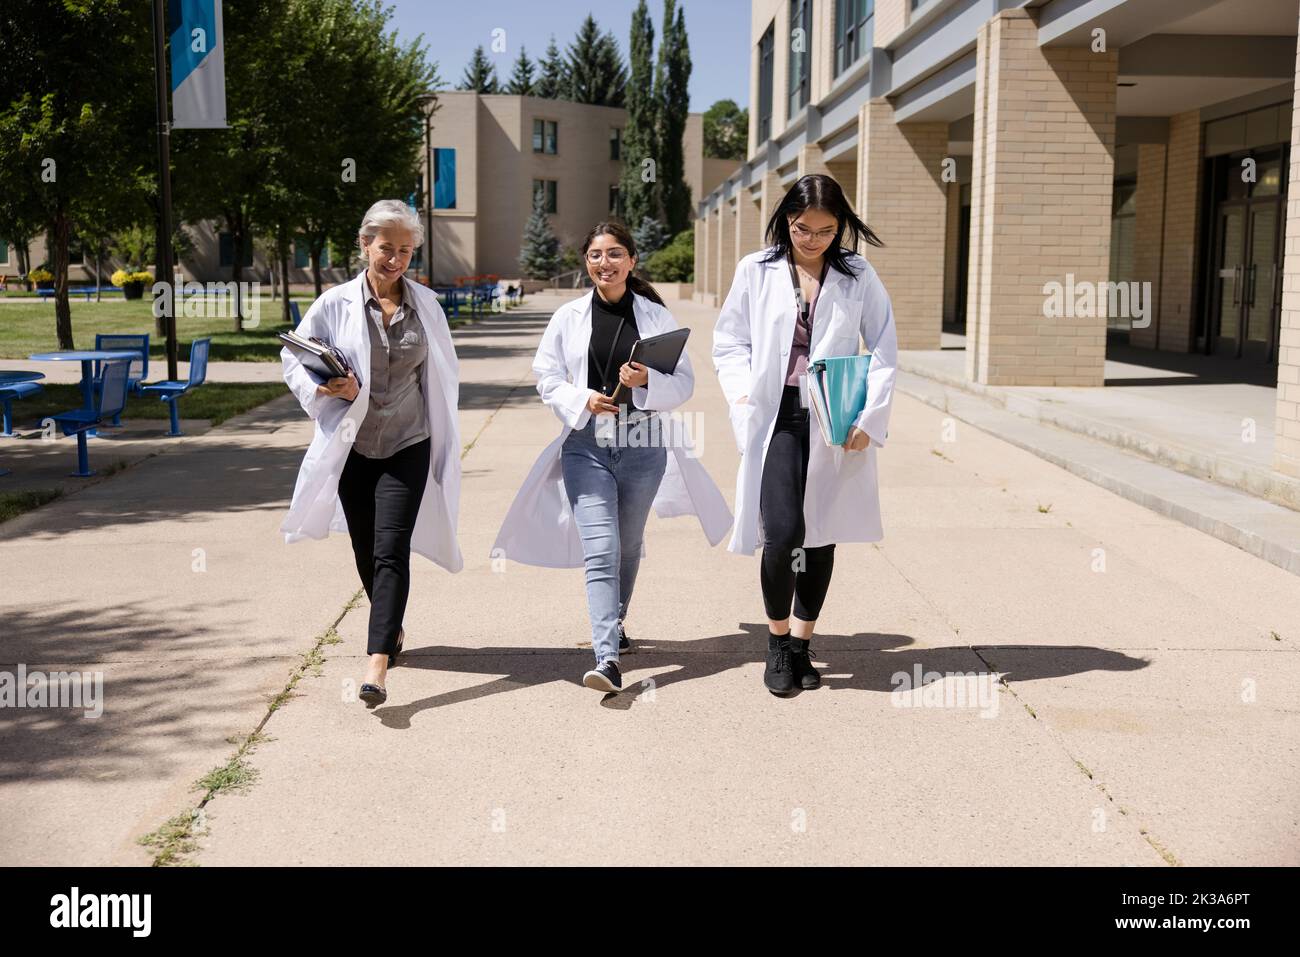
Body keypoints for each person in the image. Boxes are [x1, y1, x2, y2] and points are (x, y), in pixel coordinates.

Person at [493, 221, 732, 693]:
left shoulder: (655, 317)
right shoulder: (567, 317)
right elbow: (546, 375)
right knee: (600, 549)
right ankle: (606, 658)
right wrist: (582, 399)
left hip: (644, 445)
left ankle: (616, 623)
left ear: (632, 261)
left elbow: (683, 383)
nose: (607, 263)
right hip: (586, 446)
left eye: (616, 253)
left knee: (627, 544)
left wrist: (646, 383)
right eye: (598, 255)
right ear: (587, 262)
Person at [712, 173, 898, 696]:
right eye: (801, 227)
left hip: (833, 417)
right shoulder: (757, 269)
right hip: (776, 416)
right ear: (785, 221)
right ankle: (775, 642)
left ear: (840, 227)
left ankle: (800, 644)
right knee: (783, 532)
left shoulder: (858, 274)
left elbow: (884, 346)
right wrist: (742, 397)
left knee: (821, 534)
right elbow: (728, 342)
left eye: (824, 229)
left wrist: (869, 418)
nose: (812, 239)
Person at [280, 199, 463, 707]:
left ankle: (377, 665)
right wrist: (322, 390)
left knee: (391, 550)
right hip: (354, 445)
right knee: (367, 551)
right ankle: (393, 626)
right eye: (387, 249)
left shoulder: (426, 305)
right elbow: (294, 354)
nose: (396, 260)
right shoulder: (334, 302)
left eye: (406, 251)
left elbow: (443, 372)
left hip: (410, 441)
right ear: (365, 246)